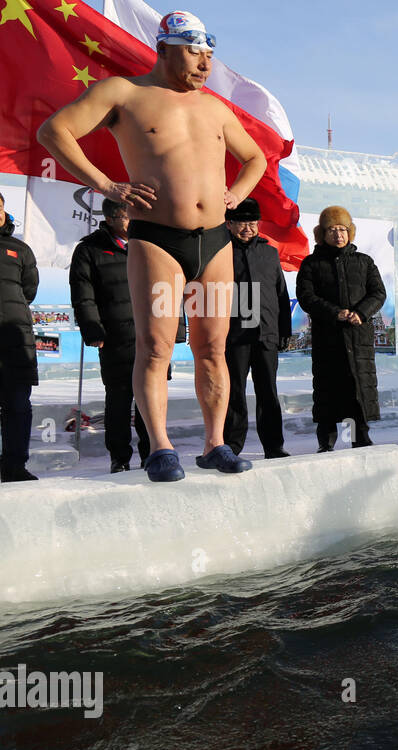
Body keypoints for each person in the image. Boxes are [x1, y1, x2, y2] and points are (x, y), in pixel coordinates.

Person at [37, 10, 266, 481]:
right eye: (194, 52)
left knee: (212, 346)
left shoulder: (216, 107)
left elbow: (255, 157)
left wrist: (237, 194)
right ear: (164, 48)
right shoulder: (124, 93)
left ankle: (215, 443)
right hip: (158, 240)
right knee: (156, 344)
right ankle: (160, 447)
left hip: (214, 244)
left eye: (208, 55)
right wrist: (107, 184)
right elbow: (54, 131)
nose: (204, 64)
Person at [296, 207, 385, 452]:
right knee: (327, 391)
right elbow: (306, 296)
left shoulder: (364, 262)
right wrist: (334, 312)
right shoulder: (312, 264)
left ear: (350, 232)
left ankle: (359, 439)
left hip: (359, 338)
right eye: (332, 230)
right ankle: (326, 442)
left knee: (356, 391)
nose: (338, 235)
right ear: (322, 234)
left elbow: (378, 293)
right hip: (328, 337)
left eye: (343, 229)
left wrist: (362, 312)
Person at [71, 199, 150, 472]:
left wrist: (175, 329)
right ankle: (120, 458)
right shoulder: (89, 249)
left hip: (151, 336)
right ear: (110, 218)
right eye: (126, 217)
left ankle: (153, 454)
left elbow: (169, 288)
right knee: (119, 400)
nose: (131, 222)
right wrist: (92, 328)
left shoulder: (150, 244)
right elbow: (83, 295)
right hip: (115, 337)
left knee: (151, 398)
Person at [223, 197, 291, 458]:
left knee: (268, 393)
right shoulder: (220, 251)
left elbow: (281, 294)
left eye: (252, 223)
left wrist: (283, 330)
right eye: (241, 223)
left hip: (266, 333)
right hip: (234, 334)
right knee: (234, 393)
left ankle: (274, 446)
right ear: (229, 224)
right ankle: (231, 446)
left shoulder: (269, 251)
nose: (247, 228)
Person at [0, 192, 39, 482]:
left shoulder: (20, 249)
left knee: (18, 406)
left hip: (15, 341)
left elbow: (29, 291)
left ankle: (15, 466)